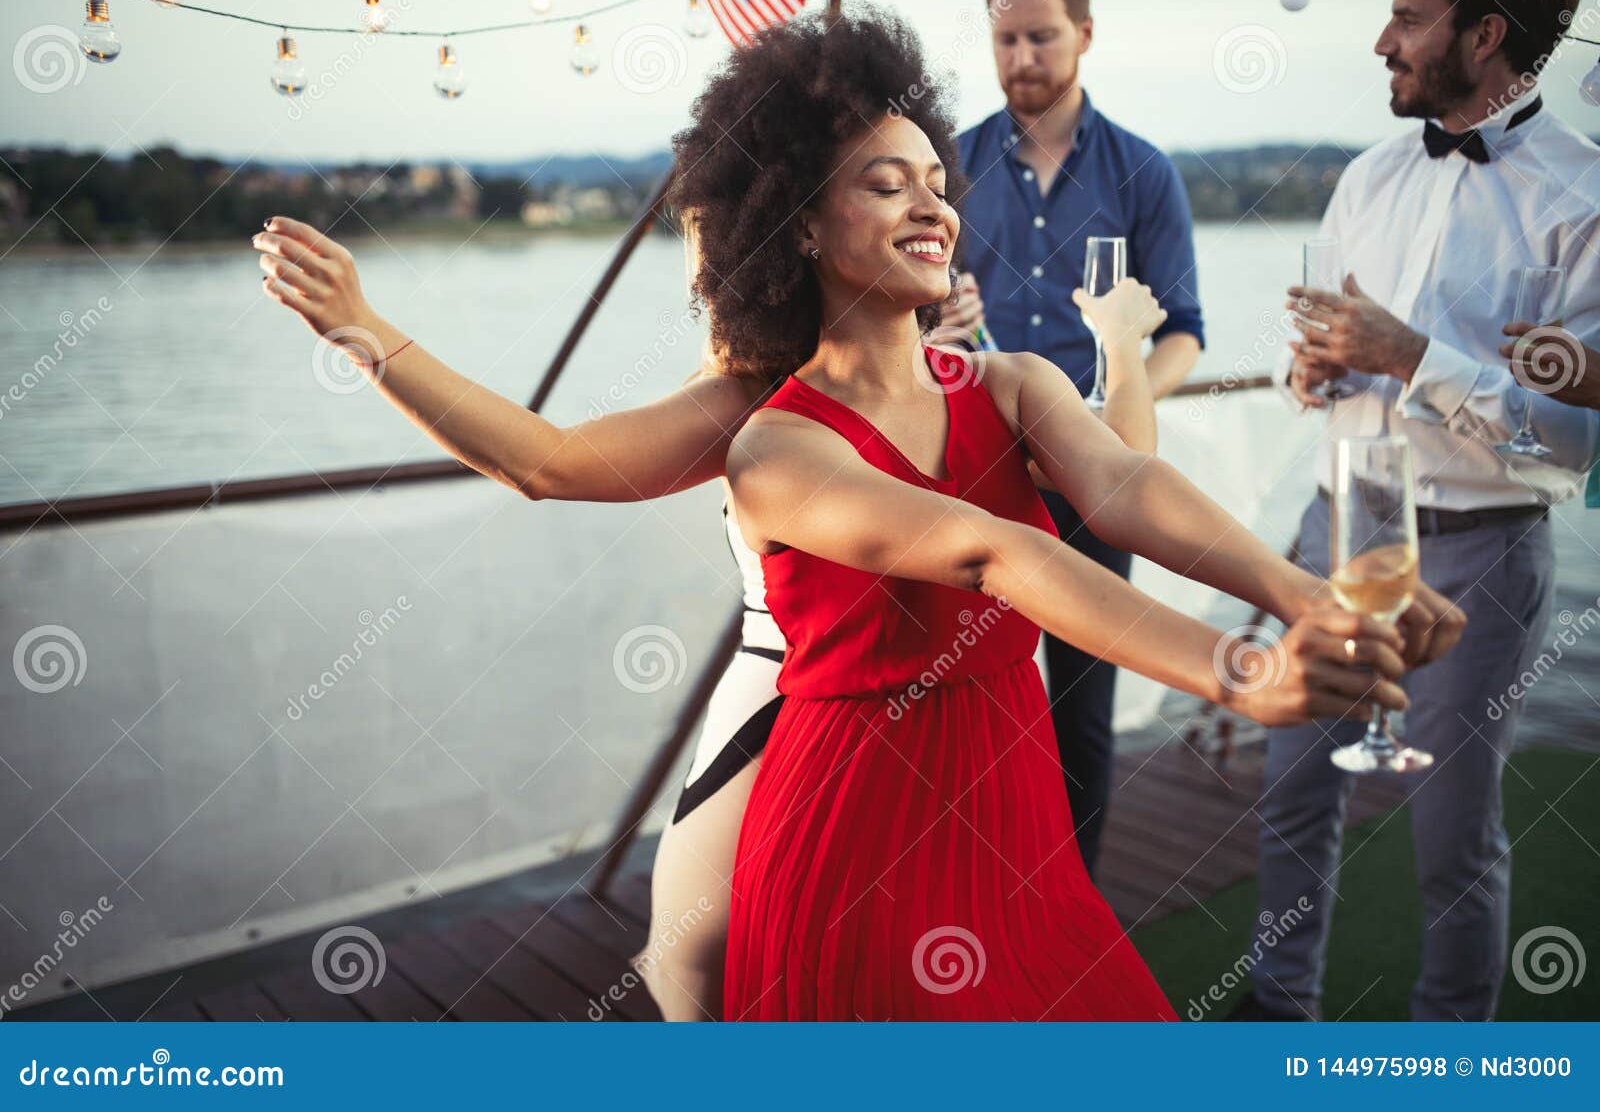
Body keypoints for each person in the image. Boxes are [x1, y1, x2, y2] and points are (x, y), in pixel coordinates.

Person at [667, 4, 1459, 1020]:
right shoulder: (775, 447)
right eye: (886, 184)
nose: (932, 207)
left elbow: (1126, 482)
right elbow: (991, 552)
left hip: (1016, 807)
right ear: (802, 223)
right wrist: (1238, 669)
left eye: (936, 183)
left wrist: (1311, 597)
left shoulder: (1012, 382)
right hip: (855, 835)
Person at [252, 173, 1162, 1023]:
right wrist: (363, 332)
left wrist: (1117, 346)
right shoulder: (754, 399)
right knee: (696, 963)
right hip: (788, 715)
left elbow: (1117, 484)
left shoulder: (972, 382)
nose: (705, 268)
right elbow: (544, 461)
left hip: (963, 729)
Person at [1249, 0, 1598, 1022]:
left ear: (1484, 35)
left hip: (1480, 552)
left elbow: (1570, 440)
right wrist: (1312, 371)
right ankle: (1276, 1012)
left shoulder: (1585, 199)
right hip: (1335, 532)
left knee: (1452, 834)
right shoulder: (1368, 177)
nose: (1381, 41)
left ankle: (1450, 1053)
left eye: (1407, 19)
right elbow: (1330, 354)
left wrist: (1411, 357)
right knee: (1290, 792)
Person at [945, 0, 1206, 878]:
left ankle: (1073, 901)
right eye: (1005, 38)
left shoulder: (1143, 171)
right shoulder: (949, 166)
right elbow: (901, 317)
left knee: (1081, 709)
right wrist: (934, 326)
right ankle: (978, 893)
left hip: (1094, 477)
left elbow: (1186, 333)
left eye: (1041, 37)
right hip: (971, 476)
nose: (1021, 57)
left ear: (1085, 34)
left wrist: (1114, 411)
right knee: (968, 700)